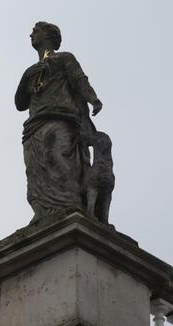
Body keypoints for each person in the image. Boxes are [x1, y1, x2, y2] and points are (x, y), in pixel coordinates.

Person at [15, 22, 103, 222]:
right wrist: (24, 79)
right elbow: (20, 103)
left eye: (35, 31)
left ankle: (71, 203)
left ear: (48, 35)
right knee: (35, 169)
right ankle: (42, 212)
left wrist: (93, 99)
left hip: (60, 117)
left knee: (59, 157)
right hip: (34, 125)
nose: (31, 34)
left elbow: (79, 80)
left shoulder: (64, 58)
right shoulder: (32, 70)